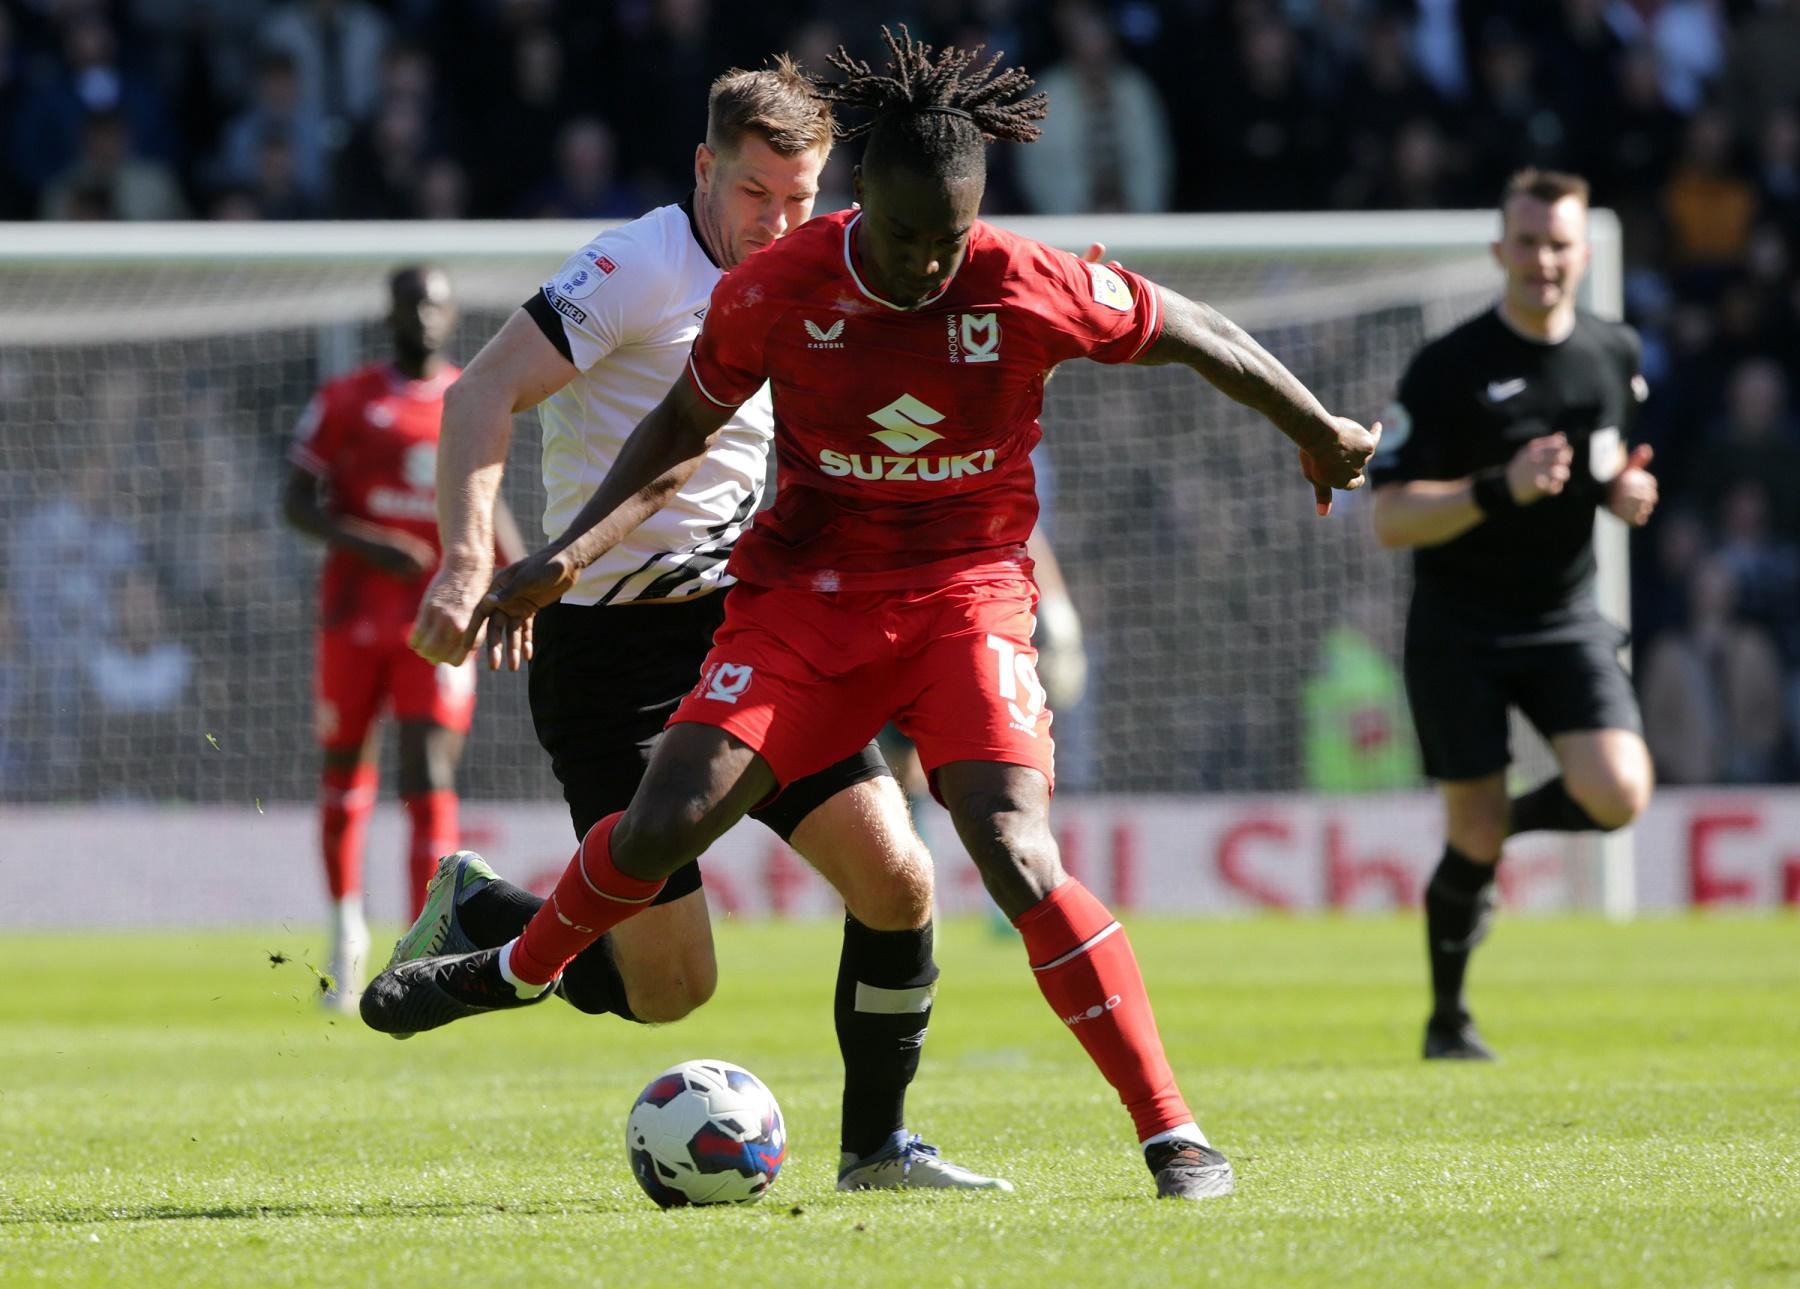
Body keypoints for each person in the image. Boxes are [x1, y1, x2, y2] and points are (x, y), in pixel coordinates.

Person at [367, 27, 1378, 1201]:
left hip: (947, 600)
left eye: (944, 239)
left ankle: (1122, 1133)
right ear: (718, 175)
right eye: (896, 237)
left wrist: (1319, 430)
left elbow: (1191, 328)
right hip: (772, 612)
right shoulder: (733, 284)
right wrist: (538, 555)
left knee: (974, 859)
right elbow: (654, 432)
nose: (923, 268)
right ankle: (512, 951)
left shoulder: (1021, 276)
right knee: (665, 938)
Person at [391, 59, 1007, 1193]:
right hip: (609, 655)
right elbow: (480, 391)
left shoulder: (829, 270)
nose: (781, 223)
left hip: (757, 635)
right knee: (670, 989)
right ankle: (482, 906)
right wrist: (468, 557)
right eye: (755, 195)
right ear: (702, 172)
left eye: (803, 196)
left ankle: (876, 1148)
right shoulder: (635, 267)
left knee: (899, 879)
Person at [1369, 169, 1660, 1062]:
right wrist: (1500, 488)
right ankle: (1447, 1020)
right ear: (1501, 250)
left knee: (1619, 791)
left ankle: (1494, 839)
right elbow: (1389, 518)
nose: (1545, 260)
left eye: (1560, 243)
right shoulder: (1449, 368)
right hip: (1459, 624)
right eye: (1528, 242)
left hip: (1564, 613)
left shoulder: (1612, 351)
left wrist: (1621, 491)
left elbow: (1607, 454)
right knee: (1472, 828)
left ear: (1584, 252)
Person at [282, 266, 523, 1010]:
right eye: (411, 302)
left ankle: (425, 938)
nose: (423, 314)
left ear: (453, 318)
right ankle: (345, 929)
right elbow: (294, 502)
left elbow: (488, 504)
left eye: (436, 304)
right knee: (345, 773)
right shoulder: (346, 399)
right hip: (354, 618)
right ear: (389, 313)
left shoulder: (469, 399)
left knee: (427, 773)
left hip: (437, 619)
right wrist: (372, 543)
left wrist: (526, 578)